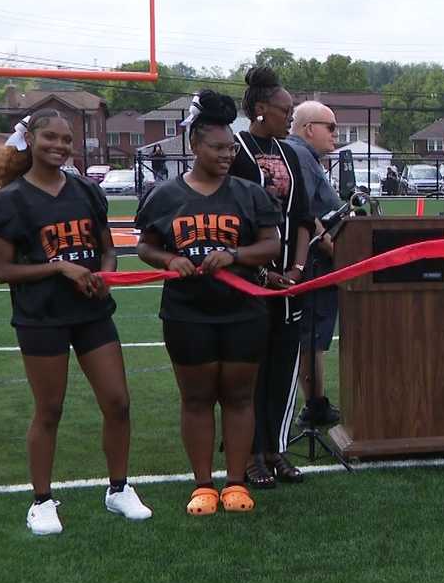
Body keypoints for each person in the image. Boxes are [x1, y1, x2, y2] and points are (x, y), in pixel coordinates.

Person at [0, 111, 151, 535]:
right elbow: (2, 271)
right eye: (50, 137)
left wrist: (105, 278)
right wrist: (58, 269)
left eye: (66, 139)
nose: (59, 145)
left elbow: (108, 248)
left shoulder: (85, 191)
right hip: (42, 317)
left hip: (91, 313)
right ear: (31, 140)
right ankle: (41, 500)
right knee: (50, 409)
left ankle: (118, 488)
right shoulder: (12, 199)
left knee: (118, 402)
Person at [135, 90, 282, 515]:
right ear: (194, 145)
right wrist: (171, 258)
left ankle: (236, 483)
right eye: (217, 147)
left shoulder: (249, 194)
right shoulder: (164, 195)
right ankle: (203, 484)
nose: (226, 154)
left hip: (243, 312)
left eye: (231, 147)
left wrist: (234, 255)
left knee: (239, 397)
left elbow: (271, 244)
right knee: (196, 399)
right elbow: (146, 248)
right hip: (187, 312)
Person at [229, 66, 312, 487]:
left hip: (288, 282)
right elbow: (233, 221)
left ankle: (274, 448)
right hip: (248, 281)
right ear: (260, 109)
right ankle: (247, 453)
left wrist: (296, 269)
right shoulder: (237, 150)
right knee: (251, 369)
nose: (290, 116)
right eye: (285, 109)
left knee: (283, 365)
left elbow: (302, 219)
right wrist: (261, 272)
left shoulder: (290, 154)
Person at [286, 100, 343, 429]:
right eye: (331, 127)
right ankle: (315, 405)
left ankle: (315, 402)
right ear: (308, 128)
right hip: (314, 263)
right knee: (312, 337)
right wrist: (331, 245)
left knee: (310, 335)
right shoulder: (302, 156)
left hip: (308, 260)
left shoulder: (299, 155)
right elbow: (306, 212)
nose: (335, 135)